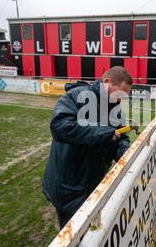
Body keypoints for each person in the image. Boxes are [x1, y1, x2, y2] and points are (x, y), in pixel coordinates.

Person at [42, 66, 132, 229]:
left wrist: (128, 154)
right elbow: (60, 127)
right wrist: (104, 133)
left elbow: (121, 139)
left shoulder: (116, 109)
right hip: (68, 186)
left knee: (91, 230)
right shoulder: (76, 96)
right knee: (71, 236)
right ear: (107, 82)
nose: (121, 99)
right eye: (120, 94)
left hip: (94, 183)